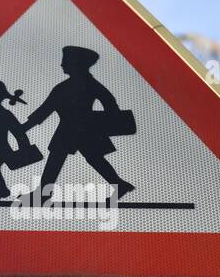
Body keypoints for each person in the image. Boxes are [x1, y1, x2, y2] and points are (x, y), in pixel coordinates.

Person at [21, 45, 135, 202]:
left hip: (81, 129)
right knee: (82, 158)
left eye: (65, 61)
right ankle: (119, 184)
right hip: (75, 129)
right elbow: (44, 111)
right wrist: (23, 129)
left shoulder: (80, 85)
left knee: (68, 157)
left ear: (76, 63)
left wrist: (105, 121)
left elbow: (110, 103)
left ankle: (44, 193)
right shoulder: (68, 86)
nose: (62, 65)